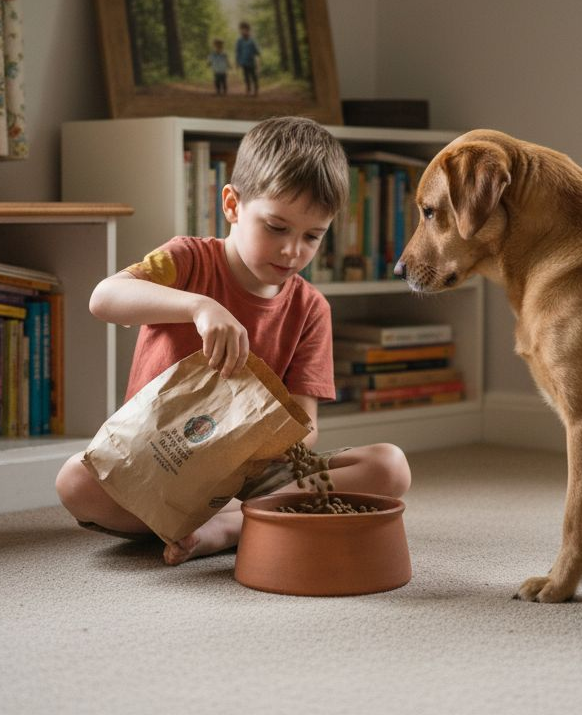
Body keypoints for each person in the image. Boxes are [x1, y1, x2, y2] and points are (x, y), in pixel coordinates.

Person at [55, 116, 411, 565]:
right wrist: (198, 307)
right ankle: (246, 520)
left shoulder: (310, 308)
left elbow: (307, 425)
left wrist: (242, 451)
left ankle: (230, 524)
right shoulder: (186, 259)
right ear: (232, 204)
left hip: (250, 477)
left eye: (312, 236)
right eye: (276, 227)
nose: (292, 251)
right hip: (163, 461)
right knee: (75, 483)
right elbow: (104, 298)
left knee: (389, 466)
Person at [235, 22, 262, 96]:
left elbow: (257, 51)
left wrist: (259, 59)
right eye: (241, 30)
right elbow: (238, 52)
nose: (243, 31)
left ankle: (256, 90)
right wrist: (237, 62)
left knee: (254, 76)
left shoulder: (252, 40)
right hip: (243, 62)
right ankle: (248, 90)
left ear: (248, 30)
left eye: (245, 30)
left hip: (252, 62)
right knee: (246, 77)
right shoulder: (239, 41)